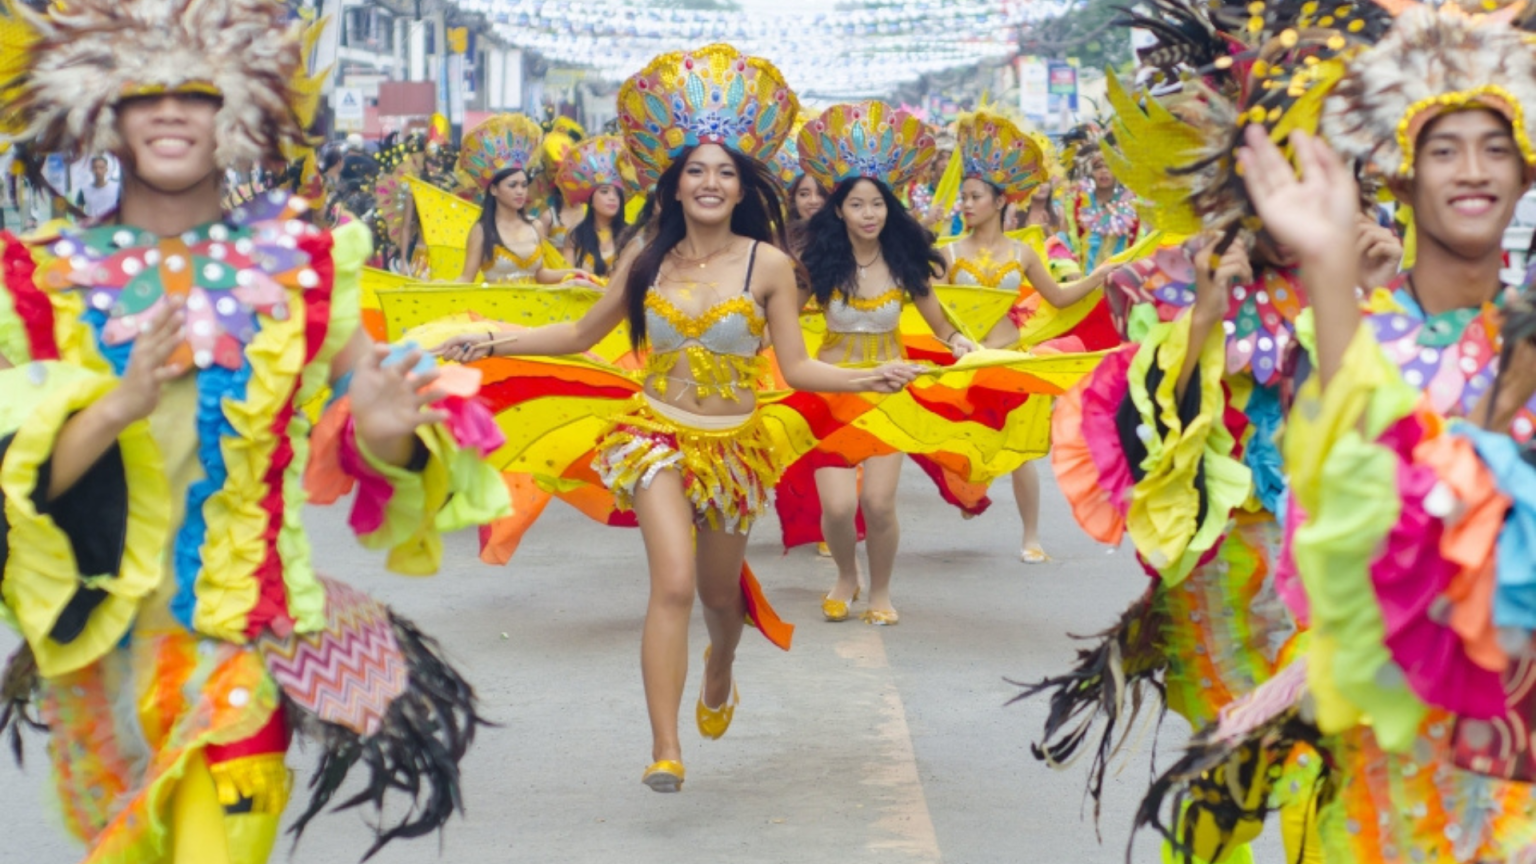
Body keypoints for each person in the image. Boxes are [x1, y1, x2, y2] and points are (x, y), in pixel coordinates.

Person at [0, 2, 510, 862]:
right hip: (98, 663)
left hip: (238, 645)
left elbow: (373, 424)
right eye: (144, 92)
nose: (169, 112)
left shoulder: (301, 270)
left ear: (237, 108)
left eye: (195, 91)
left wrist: (386, 428)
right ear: (103, 111)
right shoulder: (41, 279)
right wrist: (117, 407)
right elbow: (19, 480)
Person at [437, 44, 922, 793]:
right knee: (671, 583)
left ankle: (721, 660)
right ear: (675, 182)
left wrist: (869, 376)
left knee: (718, 597)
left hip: (734, 450)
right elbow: (579, 334)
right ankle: (665, 749)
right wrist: (492, 339)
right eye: (696, 170)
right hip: (654, 437)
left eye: (724, 172)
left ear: (742, 186)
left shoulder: (768, 265)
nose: (710, 182)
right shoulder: (646, 258)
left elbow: (797, 368)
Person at [1133, 5, 1536, 860]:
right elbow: (1352, 513)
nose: (1473, 170)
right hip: (1386, 751)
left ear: (1525, 172)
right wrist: (1327, 276)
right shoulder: (1363, 340)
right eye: (1444, 150)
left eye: (1495, 148)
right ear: (1400, 177)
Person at [783, 101, 977, 625]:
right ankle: (846, 575)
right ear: (839, 211)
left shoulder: (905, 262)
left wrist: (960, 341)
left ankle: (881, 592)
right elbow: (780, 316)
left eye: (877, 204)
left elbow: (942, 325)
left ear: (890, 208)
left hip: (889, 393)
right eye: (857, 205)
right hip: (831, 393)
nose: (869, 214)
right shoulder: (818, 265)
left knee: (879, 504)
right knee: (838, 507)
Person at [944, 111, 1113, 563]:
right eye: (964, 197)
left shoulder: (1023, 253)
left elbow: (1058, 297)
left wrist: (1097, 277)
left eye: (975, 197)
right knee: (966, 443)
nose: (967, 205)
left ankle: (1031, 536)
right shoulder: (947, 255)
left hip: (1014, 360)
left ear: (1000, 201)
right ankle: (969, 491)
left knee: (1021, 453)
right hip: (967, 362)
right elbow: (931, 312)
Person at [455, 114, 590, 285]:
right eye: (512, 185)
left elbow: (540, 274)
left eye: (524, 185)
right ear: (494, 189)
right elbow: (466, 278)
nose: (520, 192)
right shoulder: (482, 231)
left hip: (534, 302)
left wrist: (574, 274)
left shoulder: (535, 226)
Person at [556, 134, 633, 282]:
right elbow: (567, 278)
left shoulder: (631, 235)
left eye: (617, 194)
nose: (612, 198)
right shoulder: (576, 235)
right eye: (604, 192)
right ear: (590, 199)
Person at [76, 154, 119, 220]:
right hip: (93, 225)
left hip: (111, 224)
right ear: (91, 169)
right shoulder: (84, 190)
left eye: (101, 168)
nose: (98, 171)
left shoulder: (116, 188)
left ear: (106, 169)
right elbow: (78, 214)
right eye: (95, 168)